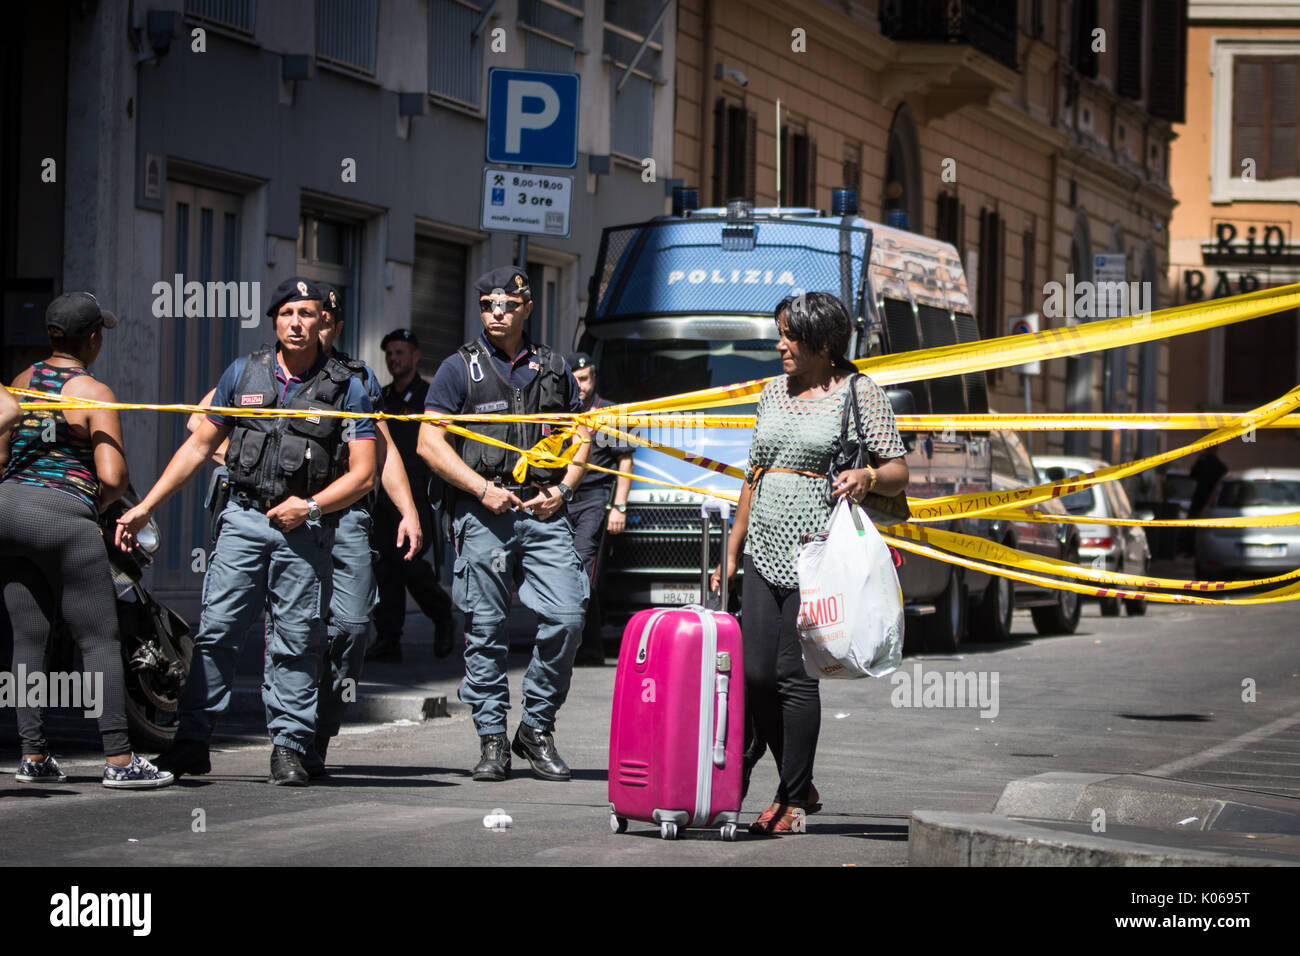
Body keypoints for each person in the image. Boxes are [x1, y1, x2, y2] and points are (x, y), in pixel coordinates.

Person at [117, 277, 378, 786]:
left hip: (303, 531)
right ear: (274, 321)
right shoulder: (244, 372)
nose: (296, 324)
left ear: (321, 319)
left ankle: (289, 748)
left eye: (306, 314)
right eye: (286, 314)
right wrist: (147, 506)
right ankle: (192, 744)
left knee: (297, 640)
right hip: (242, 518)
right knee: (216, 634)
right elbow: (197, 446)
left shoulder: (349, 384)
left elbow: (363, 473)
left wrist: (309, 507)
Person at [711, 292, 908, 833]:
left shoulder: (859, 392)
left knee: (794, 677)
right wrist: (732, 547)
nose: (780, 345)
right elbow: (755, 472)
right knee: (754, 676)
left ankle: (793, 800)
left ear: (823, 343)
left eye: (790, 336)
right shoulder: (773, 392)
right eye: (780, 333)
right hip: (763, 546)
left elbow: (898, 471)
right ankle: (799, 781)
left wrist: (867, 477)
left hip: (818, 553)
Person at [418, 266, 590, 782]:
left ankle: (535, 727)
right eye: (489, 303)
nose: (498, 312)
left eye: (509, 305)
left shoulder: (554, 368)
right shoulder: (457, 369)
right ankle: (493, 738)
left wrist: (563, 491)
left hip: (541, 509)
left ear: (527, 309)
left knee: (568, 615)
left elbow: (583, 435)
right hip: (482, 513)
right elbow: (429, 443)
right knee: (486, 631)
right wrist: (480, 488)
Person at [0, 292, 173, 788]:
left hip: (8, 510)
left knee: (28, 638)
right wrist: (86, 508)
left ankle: (33, 757)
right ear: (93, 338)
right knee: (97, 637)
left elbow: (3, 455)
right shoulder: (95, 393)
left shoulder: (19, 383)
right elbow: (113, 476)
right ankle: (120, 761)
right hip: (61, 516)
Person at [305, 286, 425, 773]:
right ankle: (290, 739)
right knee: (294, 634)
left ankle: (319, 734)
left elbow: (386, 448)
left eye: (329, 317)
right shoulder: (259, 371)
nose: (320, 325)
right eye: (313, 316)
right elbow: (202, 428)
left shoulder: (356, 380)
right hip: (289, 520)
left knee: (352, 630)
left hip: (347, 518)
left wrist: (408, 511)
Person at [367, 328, 457, 663]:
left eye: (400, 352)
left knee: (410, 563)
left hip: (420, 493)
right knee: (385, 567)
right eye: (389, 353)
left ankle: (441, 613)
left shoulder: (429, 398)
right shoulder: (383, 398)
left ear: (416, 355)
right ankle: (388, 639)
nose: (394, 359)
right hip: (384, 494)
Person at [564, 351, 633, 666]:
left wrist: (619, 506)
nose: (579, 386)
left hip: (595, 497)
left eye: (584, 379)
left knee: (583, 565)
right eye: (574, 379)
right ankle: (575, 643)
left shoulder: (609, 413)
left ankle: (588, 646)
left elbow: (625, 461)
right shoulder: (561, 411)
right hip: (563, 497)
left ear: (593, 378)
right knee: (564, 569)